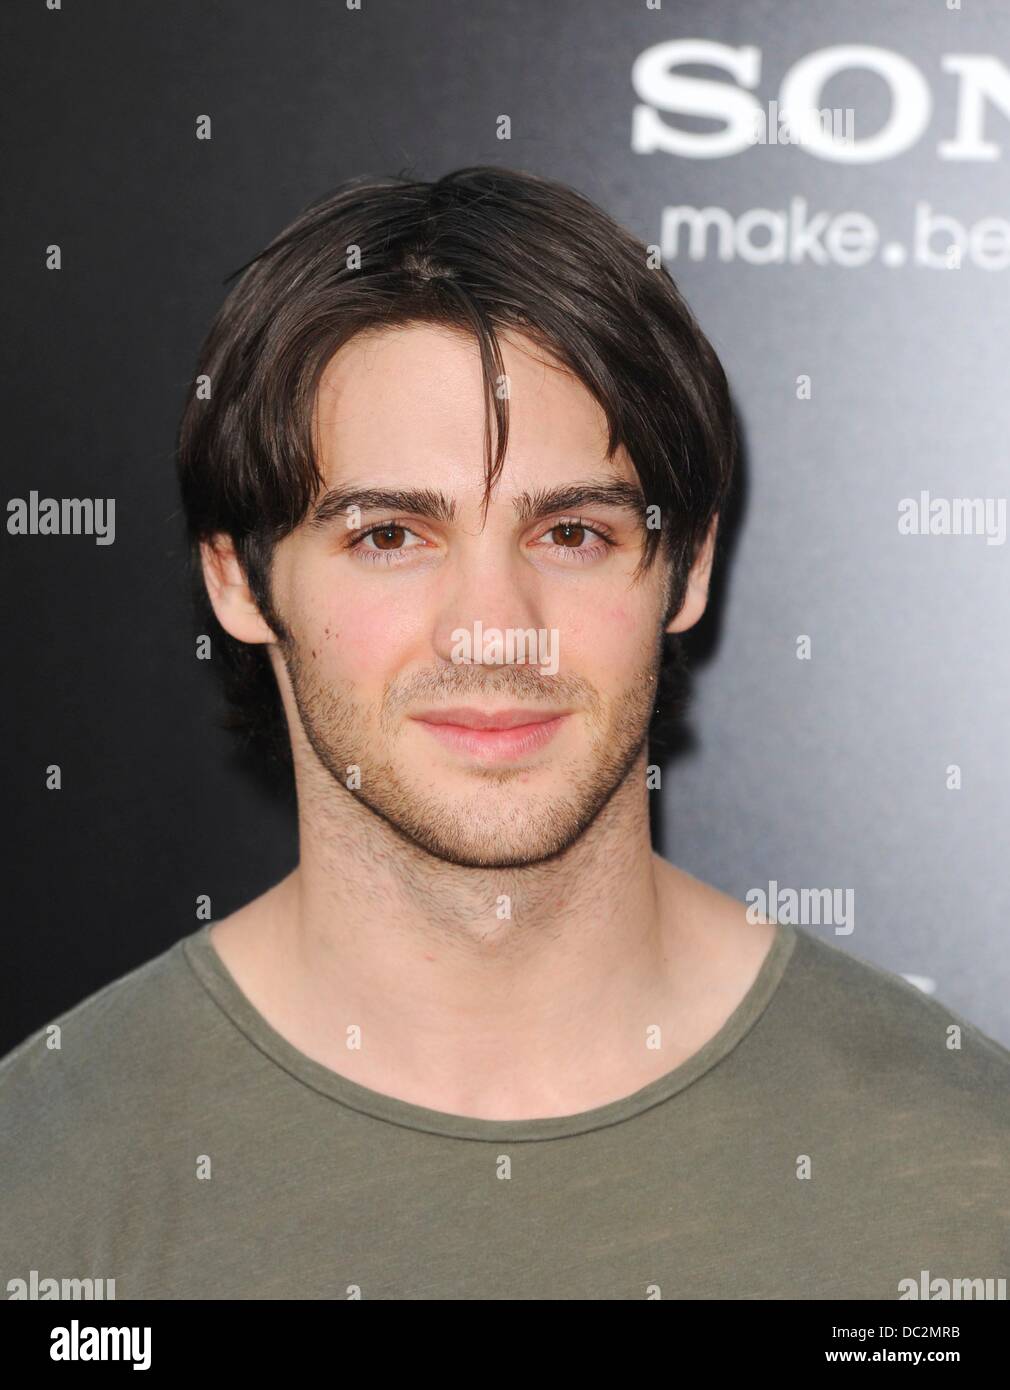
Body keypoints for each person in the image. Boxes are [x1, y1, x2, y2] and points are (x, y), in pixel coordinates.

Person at [3, 167, 1007, 1302]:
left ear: (685, 569)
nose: (493, 631)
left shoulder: (968, 1177)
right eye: (388, 536)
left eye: (571, 532)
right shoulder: (38, 1187)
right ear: (237, 582)